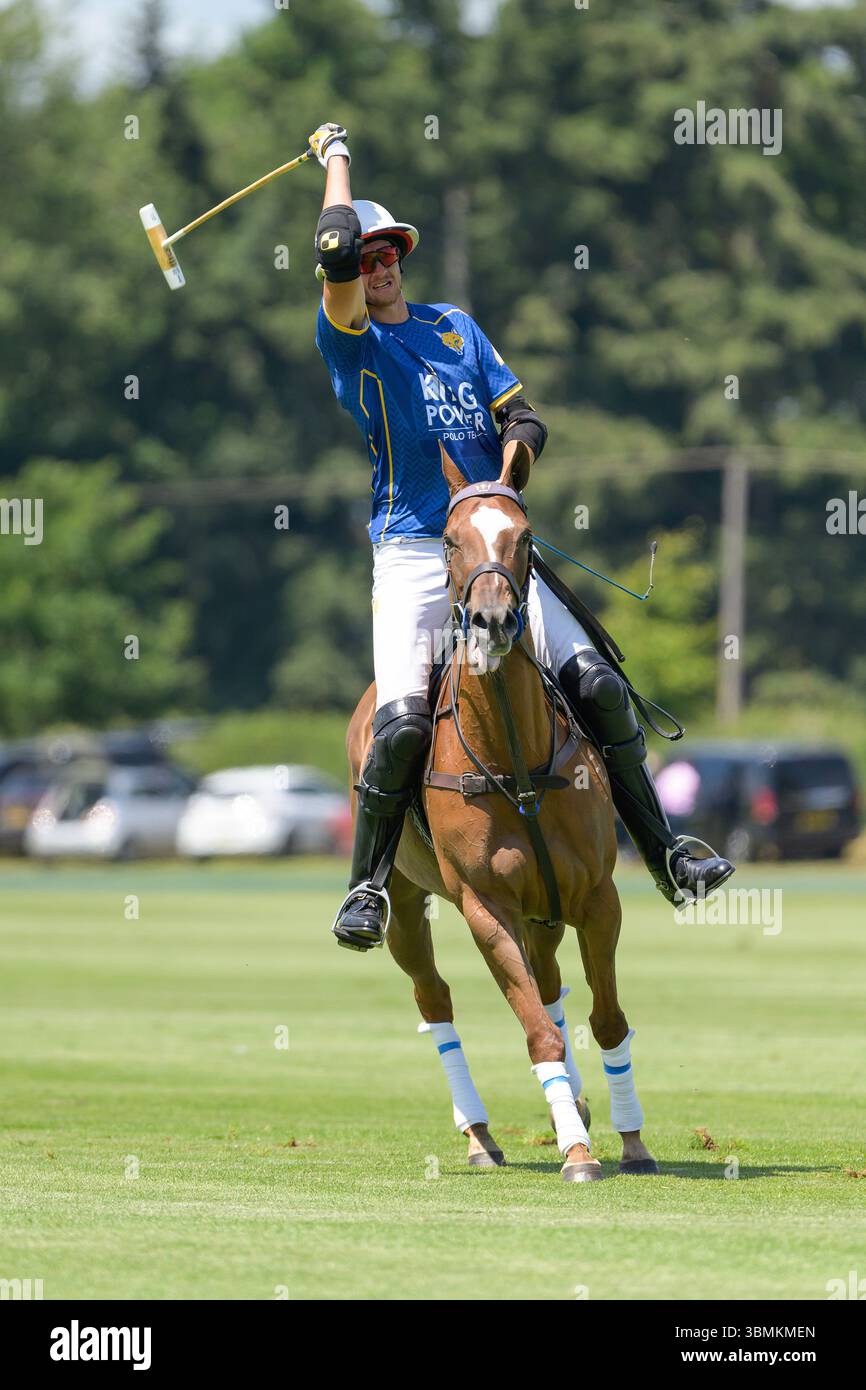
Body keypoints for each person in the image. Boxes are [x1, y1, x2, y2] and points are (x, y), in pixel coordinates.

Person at [308, 122, 734, 952]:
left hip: (494, 545)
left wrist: (506, 476)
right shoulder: (349, 337)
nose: (379, 263)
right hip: (414, 557)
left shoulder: (456, 328)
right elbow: (329, 245)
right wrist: (337, 158)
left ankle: (667, 853)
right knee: (397, 727)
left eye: (389, 251)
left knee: (600, 686)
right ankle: (367, 888)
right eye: (367, 257)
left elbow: (525, 415)